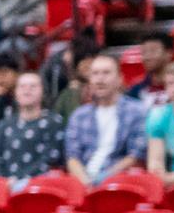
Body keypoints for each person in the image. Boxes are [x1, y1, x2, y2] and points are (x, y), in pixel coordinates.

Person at [63, 55, 148, 185]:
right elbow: (72, 157)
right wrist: (86, 182)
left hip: (120, 182)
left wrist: (104, 179)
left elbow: (136, 156)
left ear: (120, 79)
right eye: (95, 74)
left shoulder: (137, 110)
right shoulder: (79, 115)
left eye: (106, 73)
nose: (100, 78)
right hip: (83, 181)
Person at [0, 72, 65, 182]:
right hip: (4, 184)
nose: (27, 90)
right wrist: (2, 182)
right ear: (15, 93)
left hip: (38, 184)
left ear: (42, 92)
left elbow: (50, 159)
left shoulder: (53, 122)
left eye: (33, 86)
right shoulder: (4, 124)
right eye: (22, 86)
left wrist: (19, 180)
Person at [127, 32, 173, 105]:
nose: (147, 57)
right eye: (144, 52)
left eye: (153, 51)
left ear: (169, 53)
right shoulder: (135, 91)